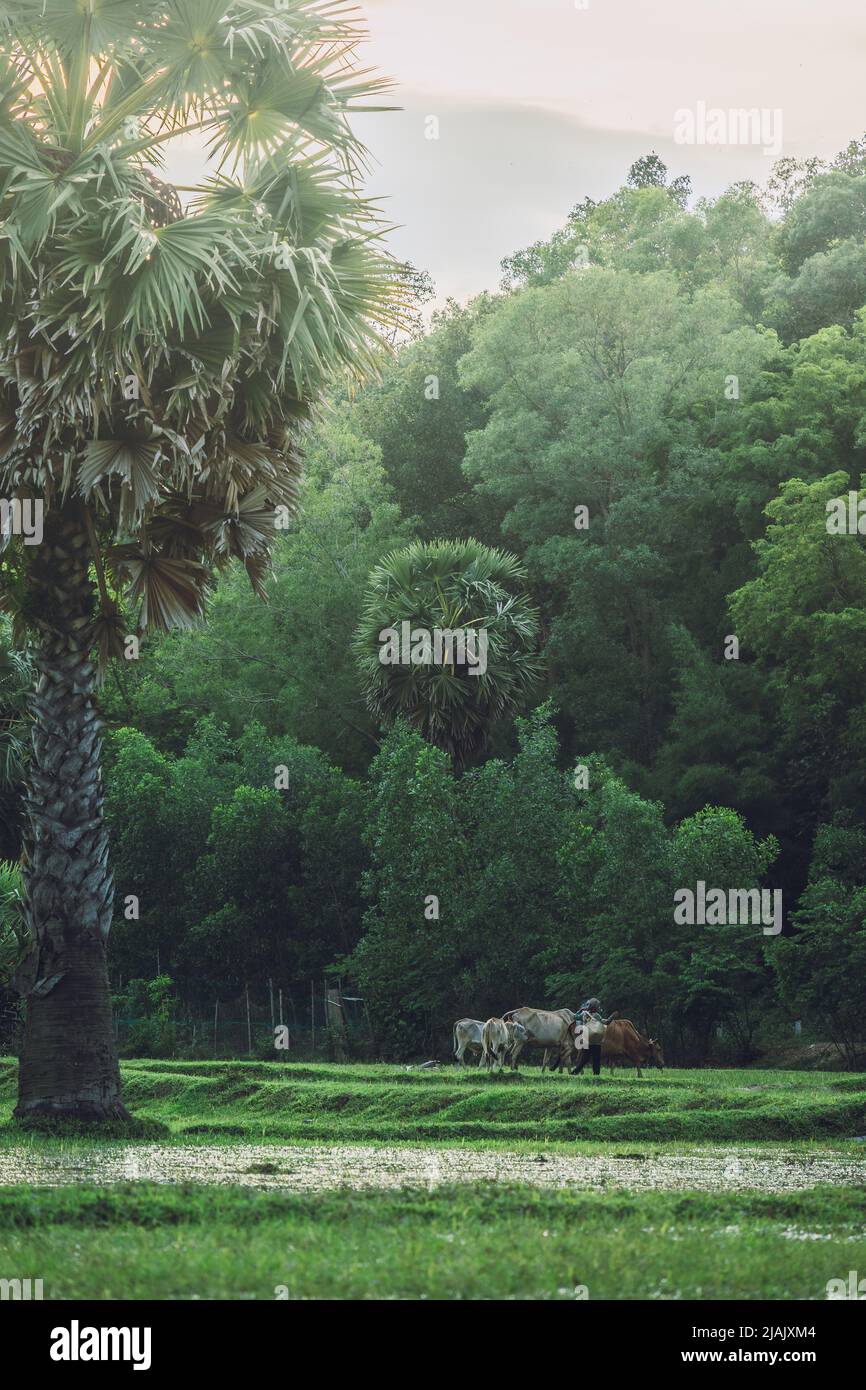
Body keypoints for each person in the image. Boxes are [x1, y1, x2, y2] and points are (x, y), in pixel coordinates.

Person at [572, 997, 614, 1076]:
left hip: (586, 1039)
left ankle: (574, 1073)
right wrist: (612, 1016)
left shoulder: (584, 1015)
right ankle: (596, 1076)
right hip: (596, 1041)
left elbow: (575, 1016)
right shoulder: (597, 1016)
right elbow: (606, 1022)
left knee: (584, 1059)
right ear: (596, 1007)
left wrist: (581, 1010)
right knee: (596, 1059)